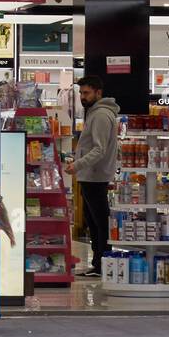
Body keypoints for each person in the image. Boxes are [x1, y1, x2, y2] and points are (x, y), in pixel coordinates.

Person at [63, 75, 120, 278]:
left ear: (98, 92)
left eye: (86, 93)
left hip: (95, 176)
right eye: (81, 93)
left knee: (99, 221)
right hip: (90, 176)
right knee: (93, 220)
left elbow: (99, 150)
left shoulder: (101, 116)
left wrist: (77, 165)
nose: (82, 97)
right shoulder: (95, 113)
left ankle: (103, 263)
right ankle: (99, 263)